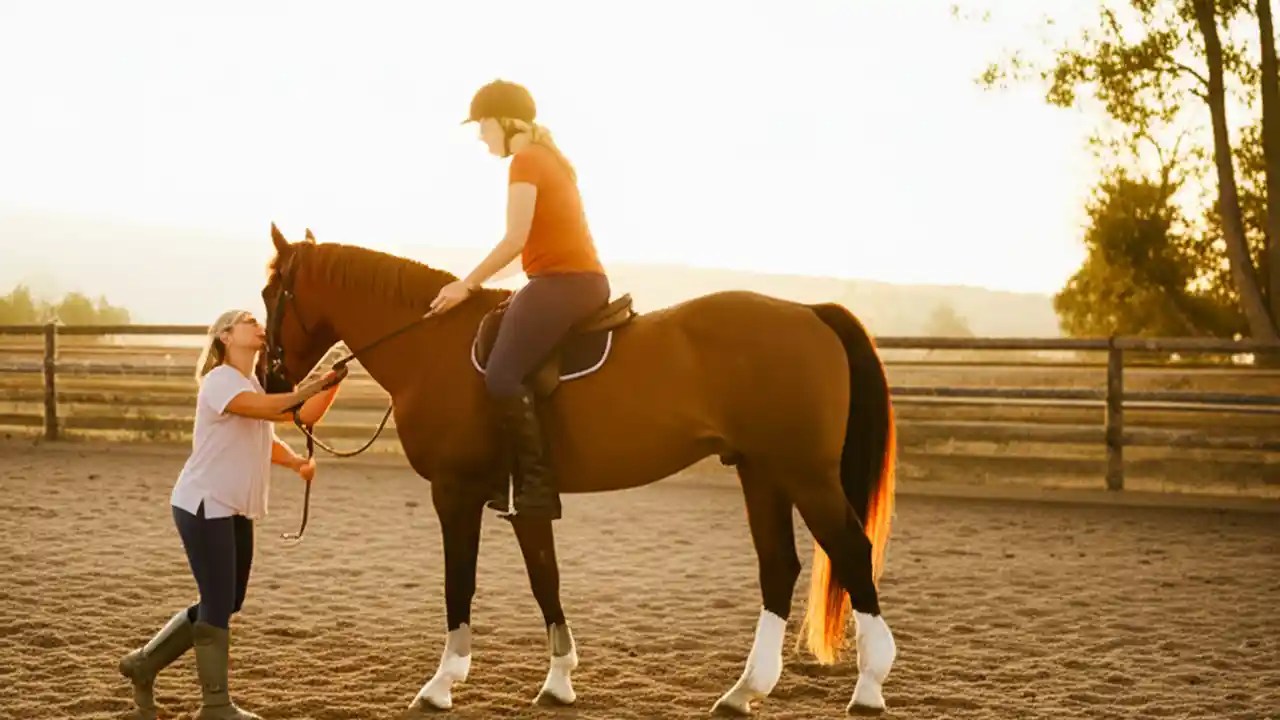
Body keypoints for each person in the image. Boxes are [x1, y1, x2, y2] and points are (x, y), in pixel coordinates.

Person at [118, 309, 346, 720]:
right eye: (247, 320)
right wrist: (309, 386)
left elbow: (299, 417)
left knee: (227, 600)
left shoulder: (251, 383)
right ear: (225, 336)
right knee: (219, 601)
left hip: (233, 506)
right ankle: (215, 705)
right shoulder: (220, 380)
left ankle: (143, 664)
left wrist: (331, 384)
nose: (258, 325)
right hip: (204, 503)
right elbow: (272, 407)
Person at [426, 79, 610, 521]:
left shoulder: (526, 161)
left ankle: (537, 487)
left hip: (565, 283)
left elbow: (513, 240)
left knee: (502, 376)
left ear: (506, 123)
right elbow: (524, 254)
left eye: (484, 125)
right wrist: (473, 283)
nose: (481, 136)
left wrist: (465, 284)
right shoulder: (548, 159)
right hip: (565, 279)